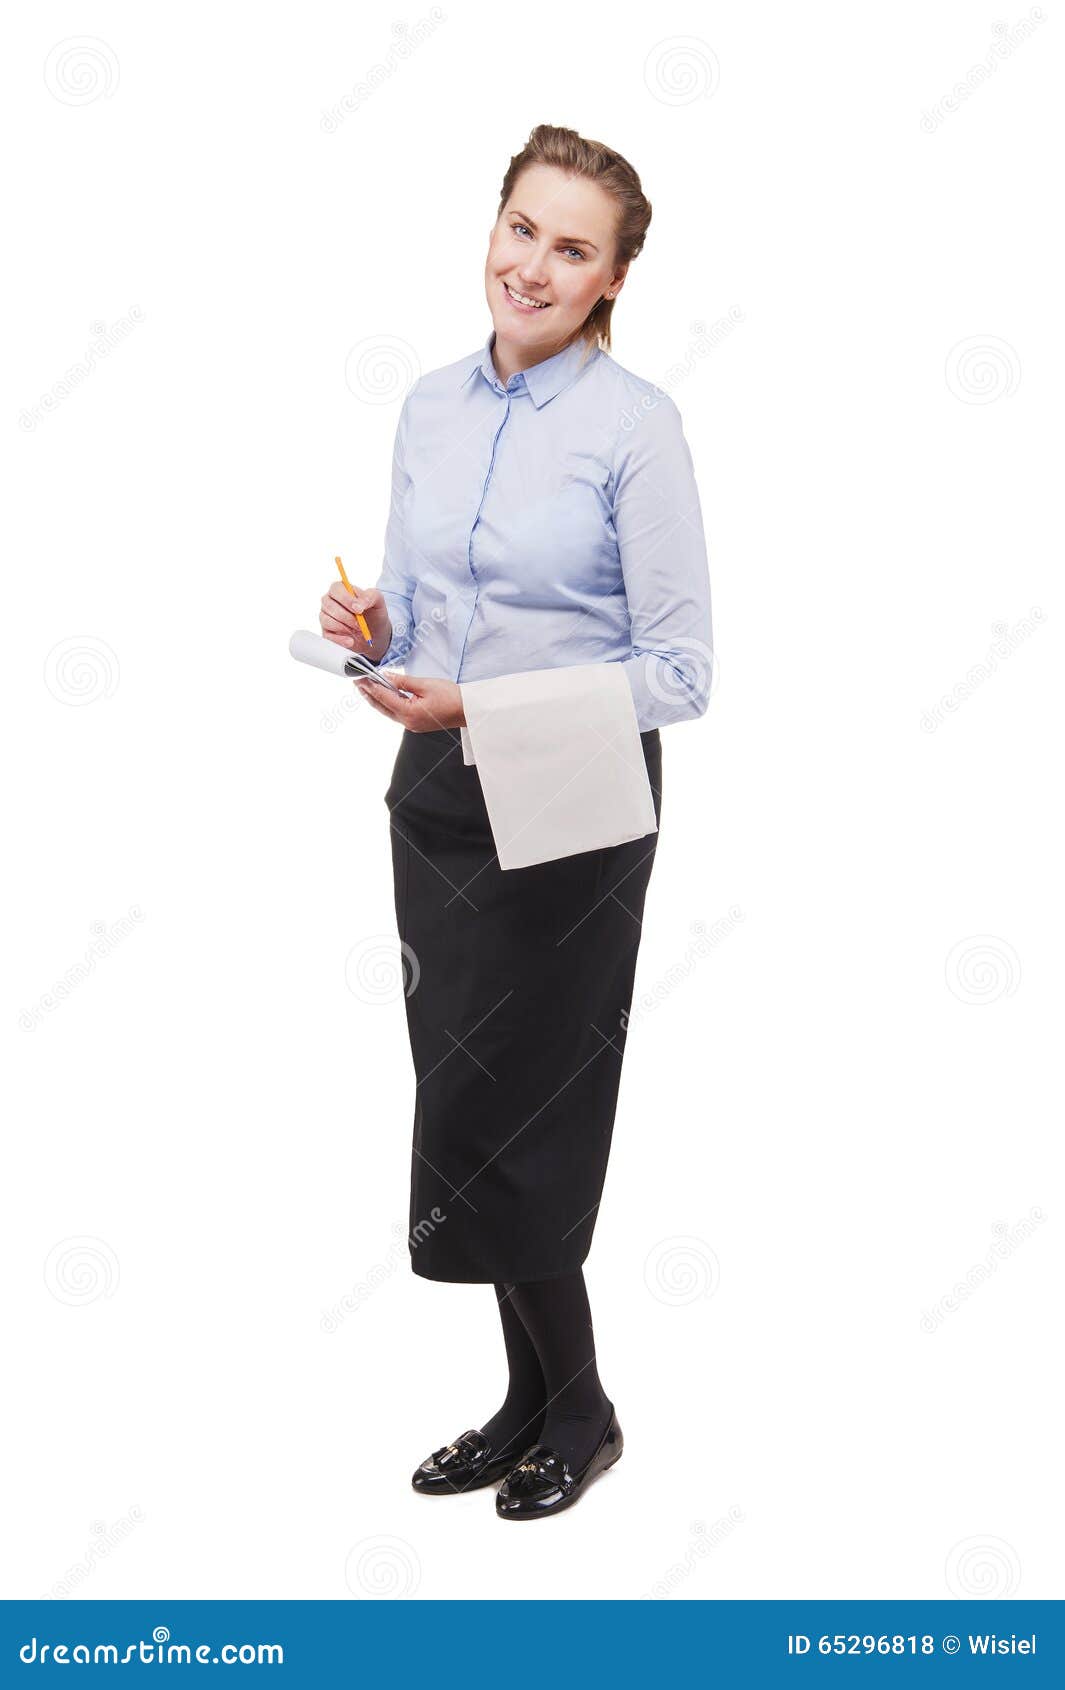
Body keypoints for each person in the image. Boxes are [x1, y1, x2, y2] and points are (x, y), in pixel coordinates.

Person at [319, 123, 713, 1521]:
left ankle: (583, 1405)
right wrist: (370, 627)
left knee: (525, 1110)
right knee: (463, 1104)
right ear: (489, 225)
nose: (532, 265)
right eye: (521, 228)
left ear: (607, 282)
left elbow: (680, 674)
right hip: (434, 798)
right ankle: (532, 1399)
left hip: (570, 805)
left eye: (571, 249)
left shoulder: (634, 428)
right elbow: (418, 617)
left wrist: (476, 703)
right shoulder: (428, 405)